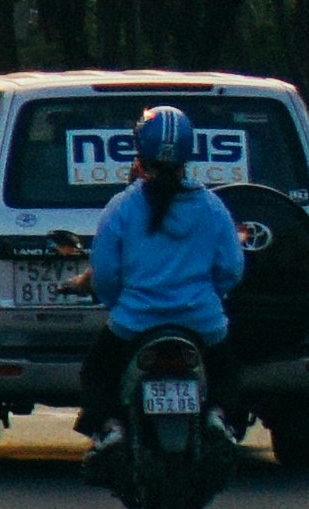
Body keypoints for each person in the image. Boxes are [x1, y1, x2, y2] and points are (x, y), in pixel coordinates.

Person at [78, 105, 244, 451]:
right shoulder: (212, 207)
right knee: (227, 376)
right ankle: (218, 416)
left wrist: (118, 305)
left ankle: (110, 427)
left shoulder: (121, 207)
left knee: (96, 374)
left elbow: (106, 275)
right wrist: (208, 298)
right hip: (203, 323)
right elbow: (230, 269)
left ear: (140, 151)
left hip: (133, 324)